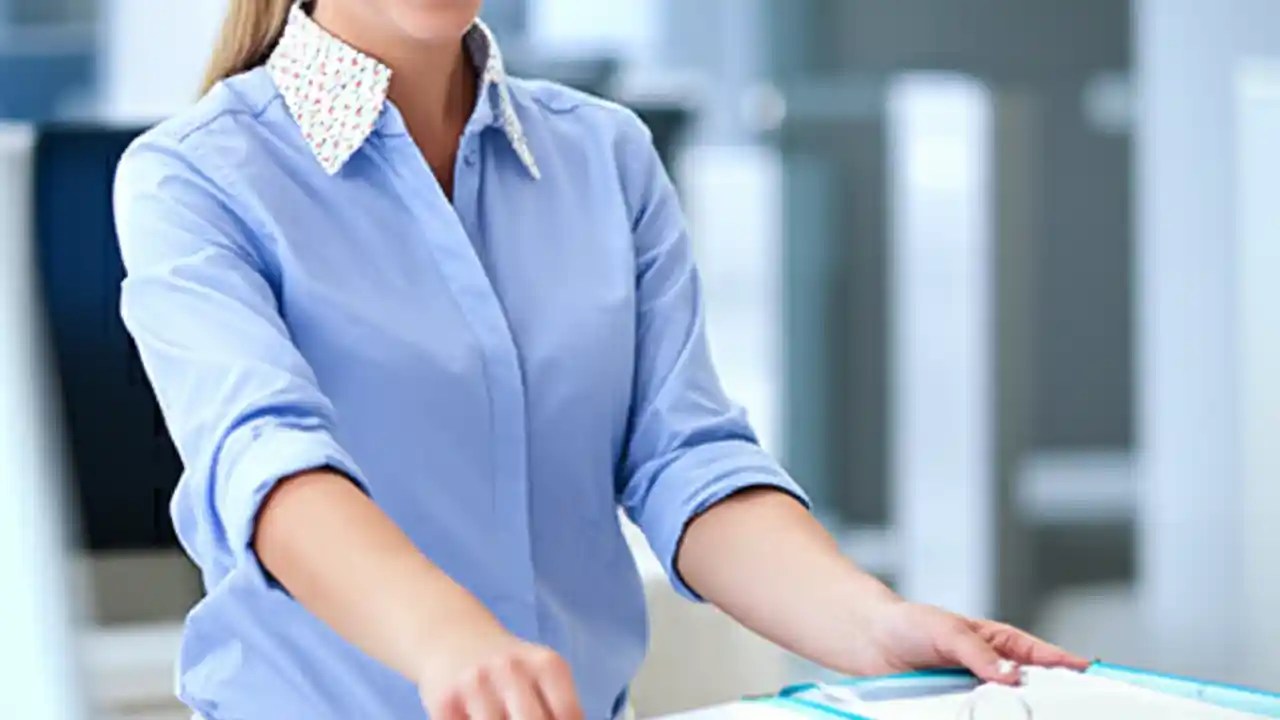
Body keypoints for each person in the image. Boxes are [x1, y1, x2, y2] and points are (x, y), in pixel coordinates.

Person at [113, 1, 1088, 718]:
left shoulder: (603, 155)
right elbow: (268, 463)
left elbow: (683, 459)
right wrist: (450, 641)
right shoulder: (197, 177)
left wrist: (870, 624)